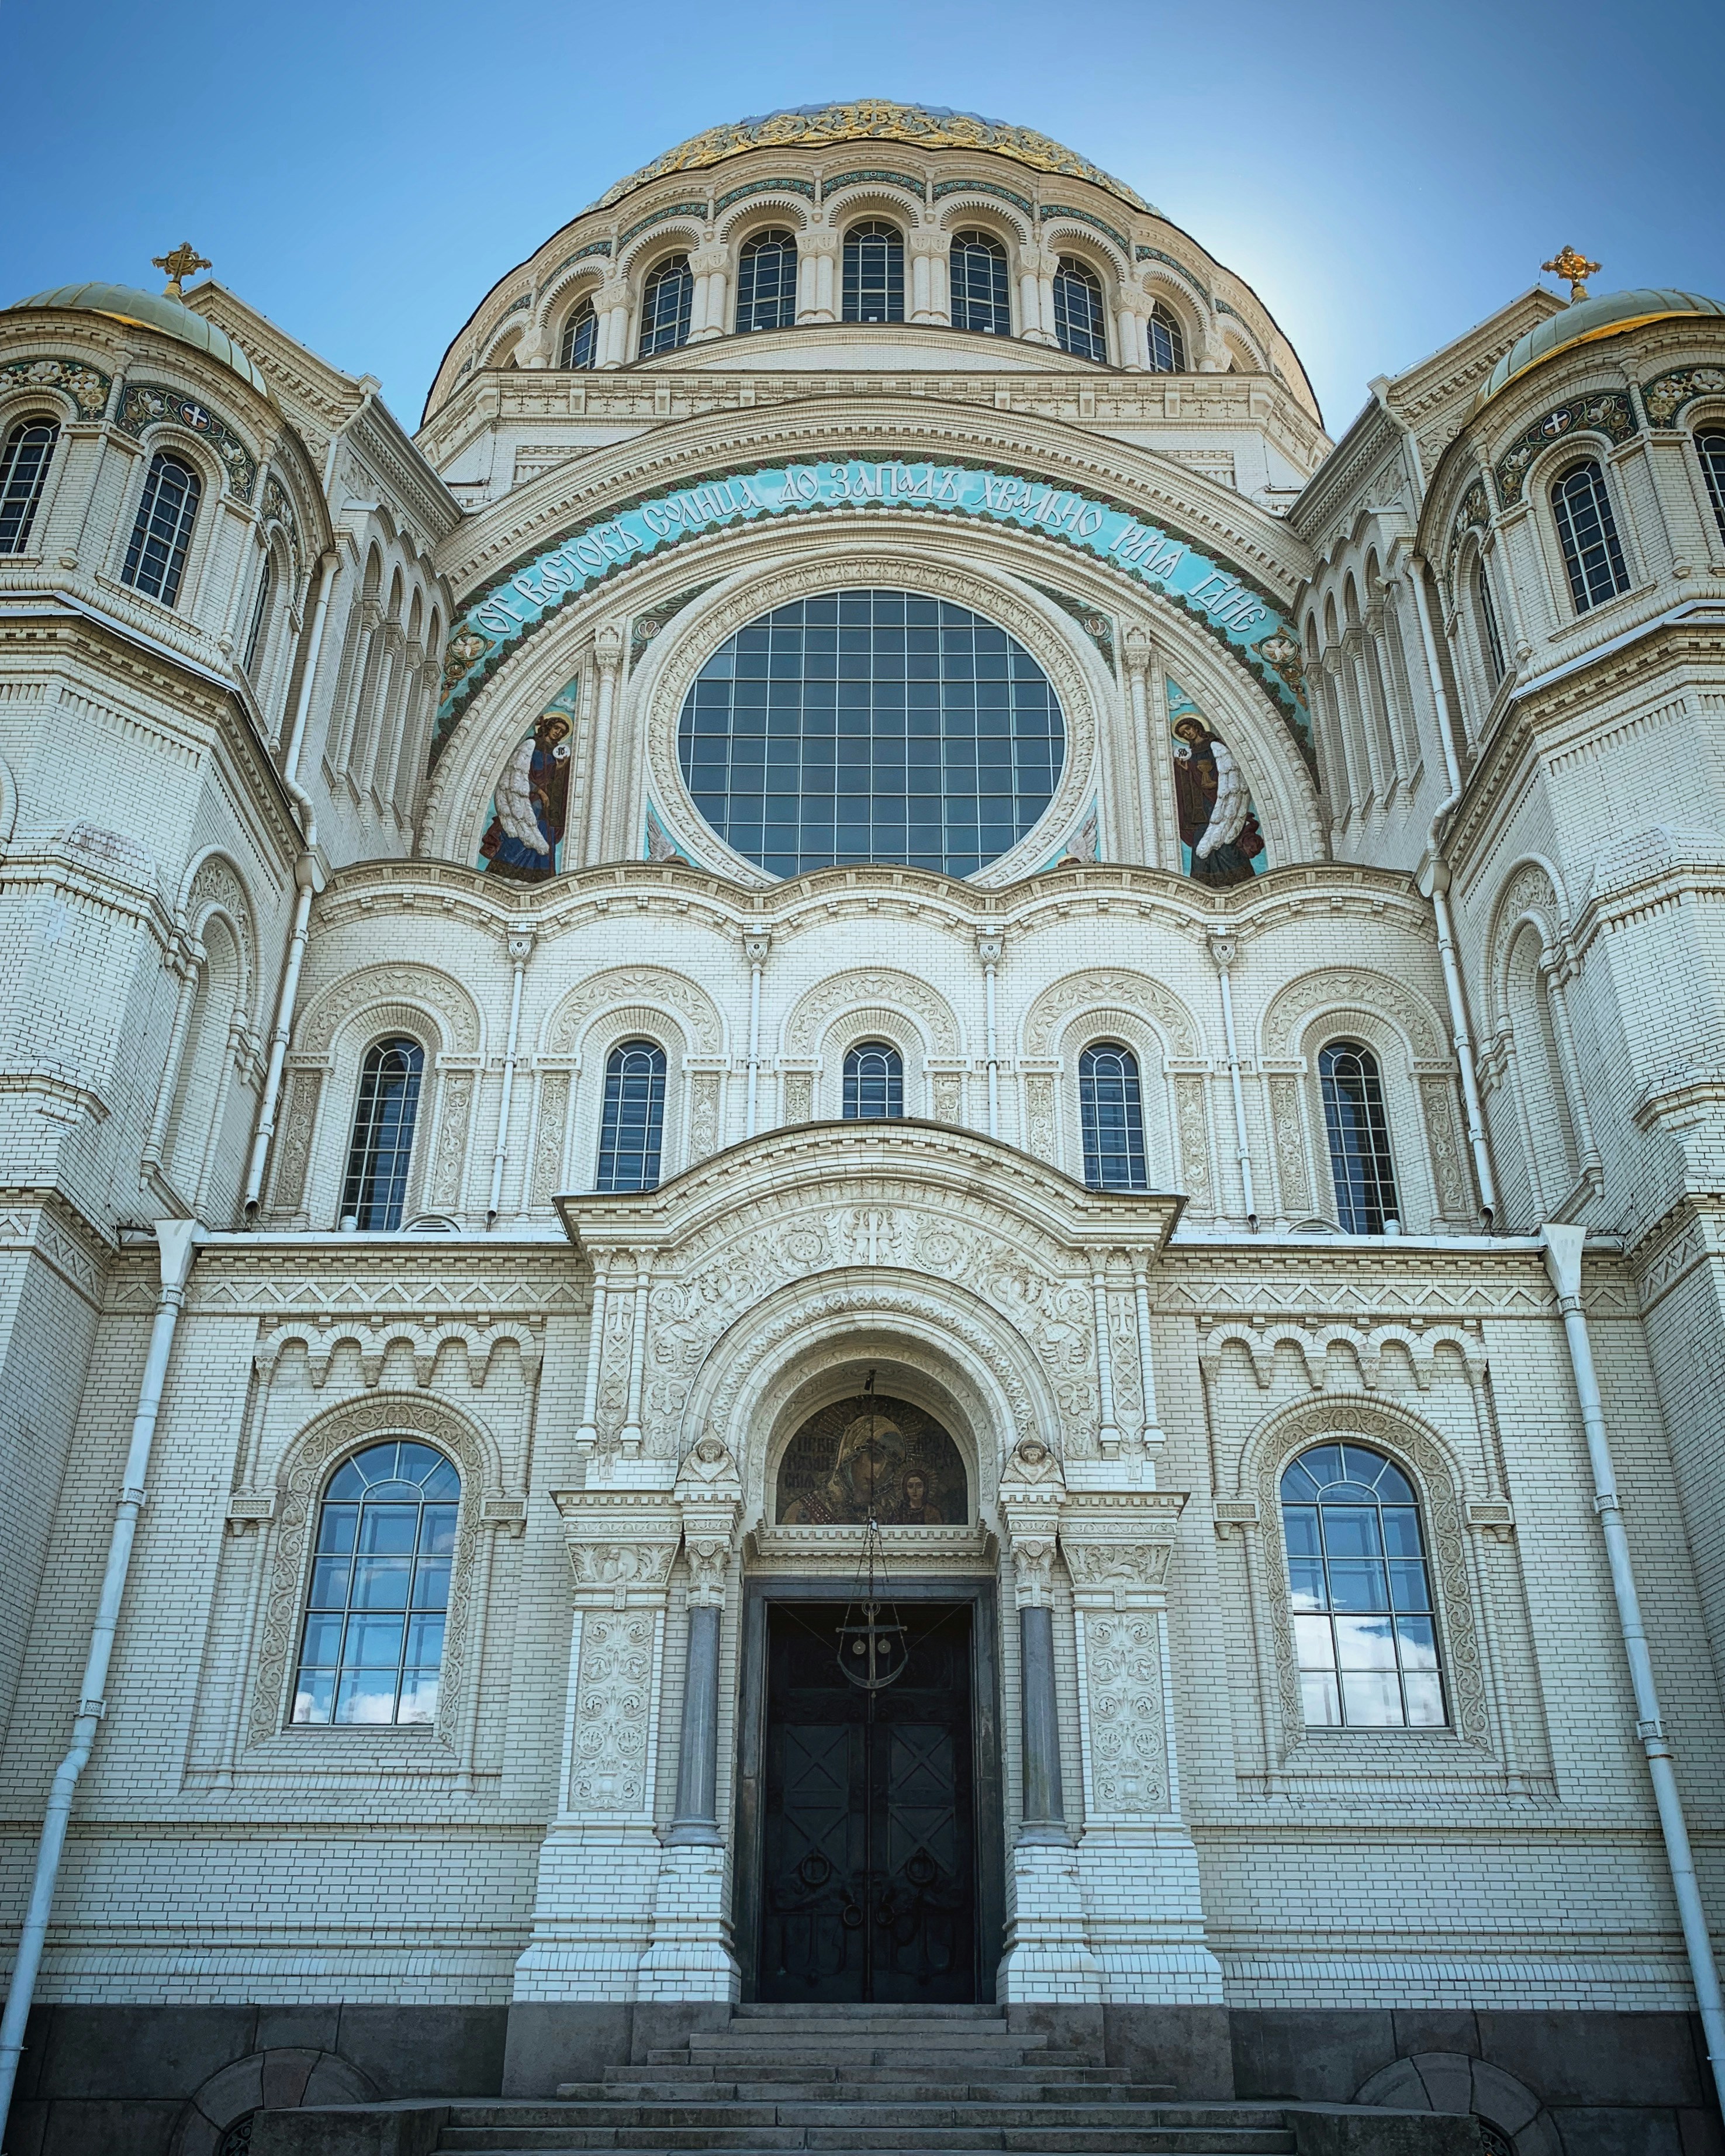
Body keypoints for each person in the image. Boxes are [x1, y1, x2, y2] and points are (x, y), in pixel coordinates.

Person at [1171, 711, 1264, 887]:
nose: (1187, 734)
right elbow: (1192, 777)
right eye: (1183, 734)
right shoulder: (1192, 753)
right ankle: (1201, 884)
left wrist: (1214, 781)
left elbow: (1225, 772)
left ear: (1196, 727)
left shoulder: (1215, 746)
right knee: (1203, 838)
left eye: (1188, 729)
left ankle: (1242, 879)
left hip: (1219, 799)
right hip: (1202, 805)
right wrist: (1184, 769)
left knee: (1223, 837)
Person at [479, 710, 572, 880]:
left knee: (545, 832)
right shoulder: (531, 745)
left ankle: (536, 877)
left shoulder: (558, 753)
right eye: (557, 728)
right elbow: (517, 776)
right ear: (550, 727)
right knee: (523, 829)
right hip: (527, 798)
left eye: (563, 732)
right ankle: (502, 872)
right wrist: (538, 790)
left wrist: (560, 768)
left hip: (546, 804)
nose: (559, 733)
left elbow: (555, 782)